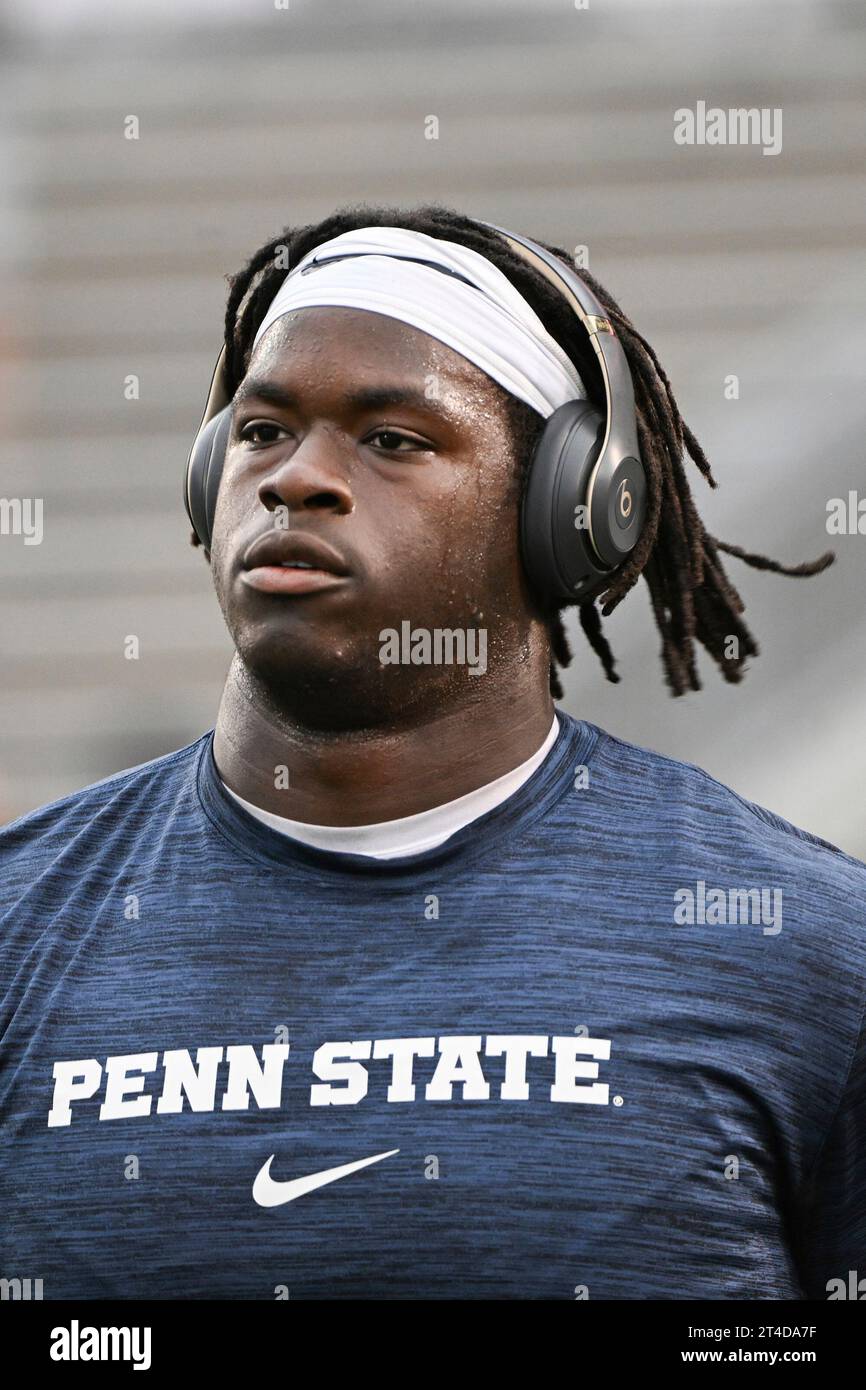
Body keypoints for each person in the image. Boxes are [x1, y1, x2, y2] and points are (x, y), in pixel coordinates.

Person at [1, 204, 862, 1302]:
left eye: (392, 439)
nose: (295, 478)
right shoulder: (20, 924)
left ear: (568, 510)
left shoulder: (807, 948)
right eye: (263, 430)